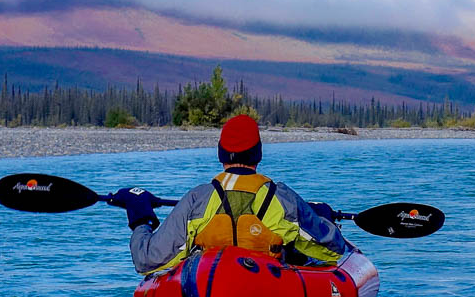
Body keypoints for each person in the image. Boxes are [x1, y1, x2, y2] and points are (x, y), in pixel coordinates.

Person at [113, 114, 350, 275]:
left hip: (209, 295)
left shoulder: (198, 199)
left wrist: (141, 217)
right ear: (258, 154)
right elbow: (331, 250)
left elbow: (146, 259)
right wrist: (323, 218)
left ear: (221, 154)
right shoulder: (280, 199)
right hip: (267, 291)